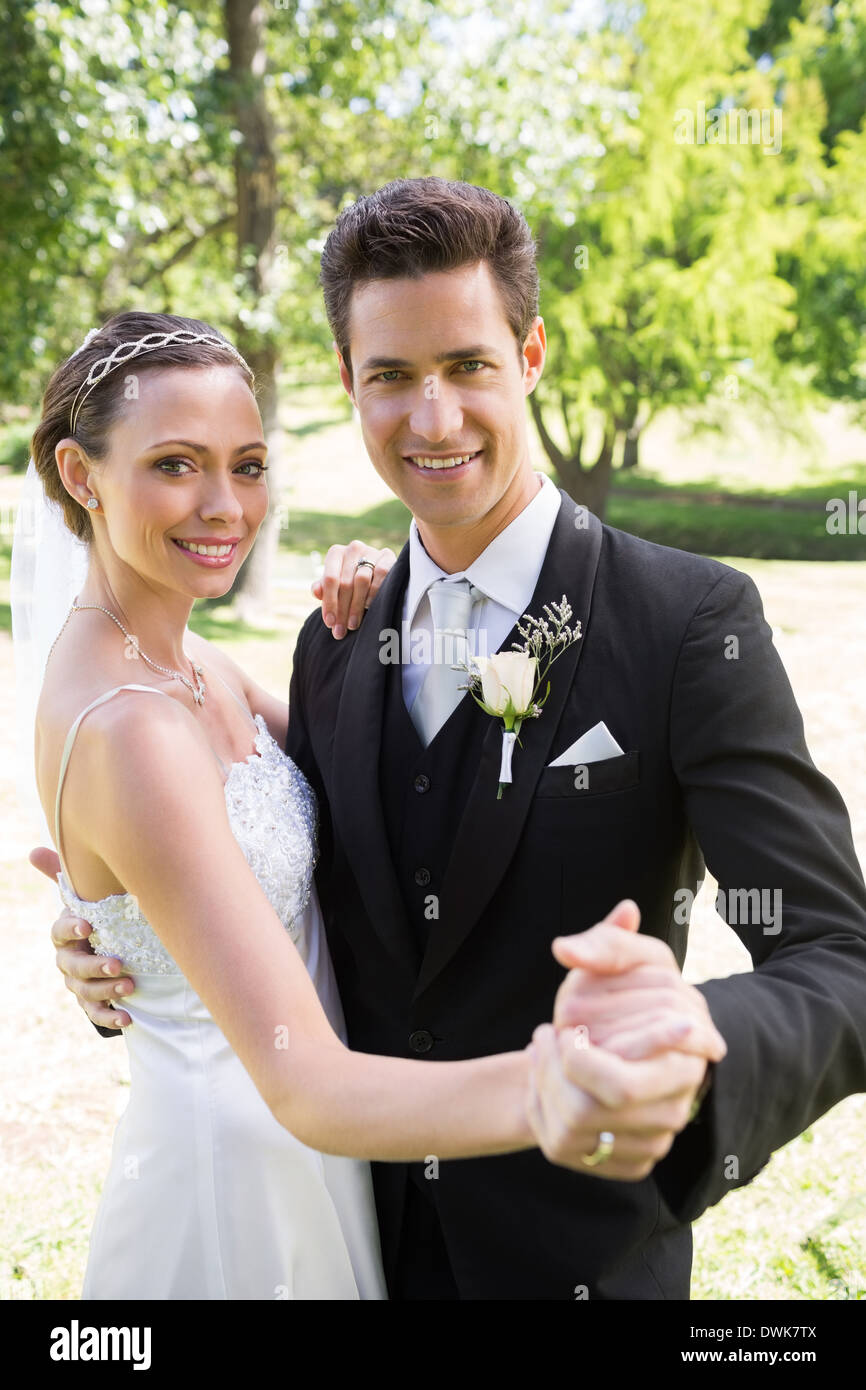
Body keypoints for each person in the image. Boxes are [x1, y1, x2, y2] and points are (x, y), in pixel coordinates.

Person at [42, 176, 866, 1302]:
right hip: (338, 1242)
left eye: (466, 366)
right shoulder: (332, 646)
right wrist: (109, 927)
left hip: (581, 1263)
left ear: (528, 357)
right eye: (390, 376)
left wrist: (686, 1038)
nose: (431, 420)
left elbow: (839, 959)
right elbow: (249, 862)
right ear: (348, 384)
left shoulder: (689, 626)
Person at [24, 309, 705, 1301]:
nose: (223, 505)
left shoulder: (191, 666)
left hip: (321, 1167)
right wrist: (562, 1087)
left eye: (247, 465)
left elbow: (389, 784)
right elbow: (304, 1079)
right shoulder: (132, 725)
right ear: (82, 476)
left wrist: (418, 608)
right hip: (240, 1185)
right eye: (176, 464)